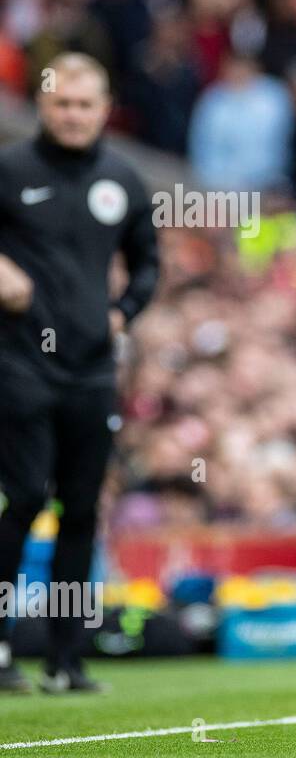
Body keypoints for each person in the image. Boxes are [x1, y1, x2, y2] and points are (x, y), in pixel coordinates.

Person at [0, 52, 158, 693]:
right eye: (62, 103)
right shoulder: (9, 170)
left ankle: (66, 660)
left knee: (83, 508)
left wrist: (124, 312)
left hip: (92, 368)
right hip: (18, 361)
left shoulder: (124, 178)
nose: (73, 114)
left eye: (85, 104)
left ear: (103, 108)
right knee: (27, 497)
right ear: (43, 104)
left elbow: (148, 264)